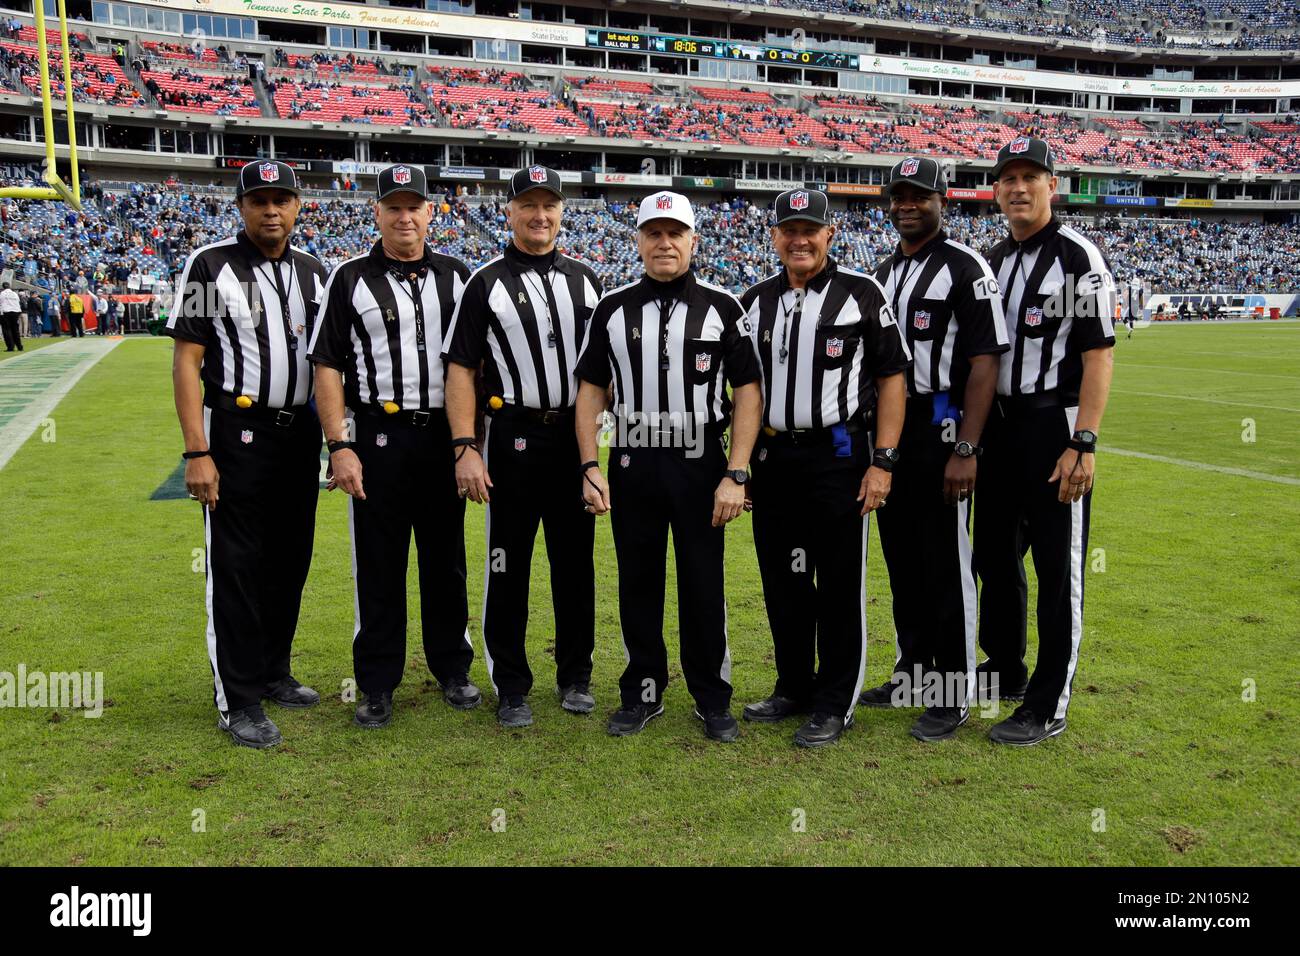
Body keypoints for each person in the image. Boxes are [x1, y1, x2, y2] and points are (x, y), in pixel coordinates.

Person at [574, 191, 762, 743]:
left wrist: (737, 471)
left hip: (700, 459)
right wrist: (590, 463)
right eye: (653, 233)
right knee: (638, 581)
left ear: (693, 240)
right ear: (638, 241)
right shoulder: (612, 309)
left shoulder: (724, 306)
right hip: (633, 456)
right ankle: (643, 691)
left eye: (674, 233)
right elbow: (590, 392)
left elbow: (748, 392)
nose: (664, 243)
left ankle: (712, 696)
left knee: (703, 582)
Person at [164, 160, 329, 749]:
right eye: (259, 200)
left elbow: (328, 364)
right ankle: (237, 699)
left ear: (298, 206)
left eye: (281, 199)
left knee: (290, 560)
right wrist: (197, 450)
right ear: (241, 207)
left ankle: (272, 669)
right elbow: (186, 361)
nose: (271, 210)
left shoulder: (315, 272)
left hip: (298, 436)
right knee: (236, 566)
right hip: (236, 431)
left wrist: (339, 438)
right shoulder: (211, 264)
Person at [308, 164, 478, 730]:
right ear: (376, 212)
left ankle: (452, 668)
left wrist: (468, 443)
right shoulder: (349, 277)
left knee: (445, 560)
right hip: (378, 436)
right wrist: (340, 444)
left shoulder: (459, 277)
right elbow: (326, 363)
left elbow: (475, 365)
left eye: (415, 206)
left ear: (432, 212)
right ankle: (377, 682)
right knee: (379, 564)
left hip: (442, 437)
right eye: (393, 207)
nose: (404, 217)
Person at [740, 188, 911, 748]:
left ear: (828, 234)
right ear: (774, 238)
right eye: (788, 229)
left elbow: (892, 380)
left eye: (809, 229)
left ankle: (836, 701)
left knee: (838, 584)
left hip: (839, 455)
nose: (799, 239)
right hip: (774, 458)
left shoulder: (862, 294)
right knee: (784, 581)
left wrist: (883, 461)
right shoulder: (754, 301)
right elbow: (742, 389)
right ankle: (794, 686)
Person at [442, 166, 604, 728]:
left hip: (573, 437)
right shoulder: (484, 282)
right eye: (528, 205)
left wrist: (597, 456)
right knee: (506, 562)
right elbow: (461, 369)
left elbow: (605, 372)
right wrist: (466, 445)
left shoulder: (587, 279)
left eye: (549, 205)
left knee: (574, 562)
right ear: (508, 211)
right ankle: (511, 684)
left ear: (562, 212)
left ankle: (575, 675)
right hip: (511, 435)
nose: (540, 215)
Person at [861, 159, 1010, 741]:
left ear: (941, 199)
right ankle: (915, 672)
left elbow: (984, 362)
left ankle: (953, 688)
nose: (906, 205)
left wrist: (967, 446)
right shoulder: (882, 273)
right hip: (891, 429)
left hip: (944, 423)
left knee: (947, 563)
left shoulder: (965, 267)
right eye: (897, 196)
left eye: (918, 195)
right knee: (903, 560)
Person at [977, 136, 1116, 745]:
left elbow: (1098, 355)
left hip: (1052, 424)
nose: (1017, 188)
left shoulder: (1077, 257)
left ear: (1051, 185)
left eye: (1029, 177)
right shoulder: (993, 258)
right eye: (1007, 179)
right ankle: (1005, 667)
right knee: (994, 556)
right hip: (1000, 428)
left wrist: (1083, 441)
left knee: (1059, 568)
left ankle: (1048, 699)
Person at [0, 282, 22, 351]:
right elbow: (18, 302)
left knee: (7, 330)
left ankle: (10, 347)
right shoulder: (15, 293)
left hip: (6, 312)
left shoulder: (2, 293)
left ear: (3, 287)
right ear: (9, 286)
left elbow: (0, 302)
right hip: (16, 312)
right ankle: (19, 346)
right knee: (15, 330)